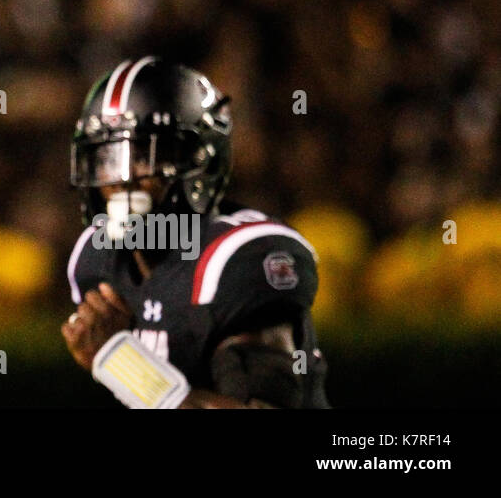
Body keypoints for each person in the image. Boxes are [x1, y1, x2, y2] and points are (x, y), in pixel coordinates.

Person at [61, 57, 329, 408]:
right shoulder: (98, 261)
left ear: (201, 163)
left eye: (144, 155)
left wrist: (121, 362)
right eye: (108, 158)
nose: (123, 177)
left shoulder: (240, 260)